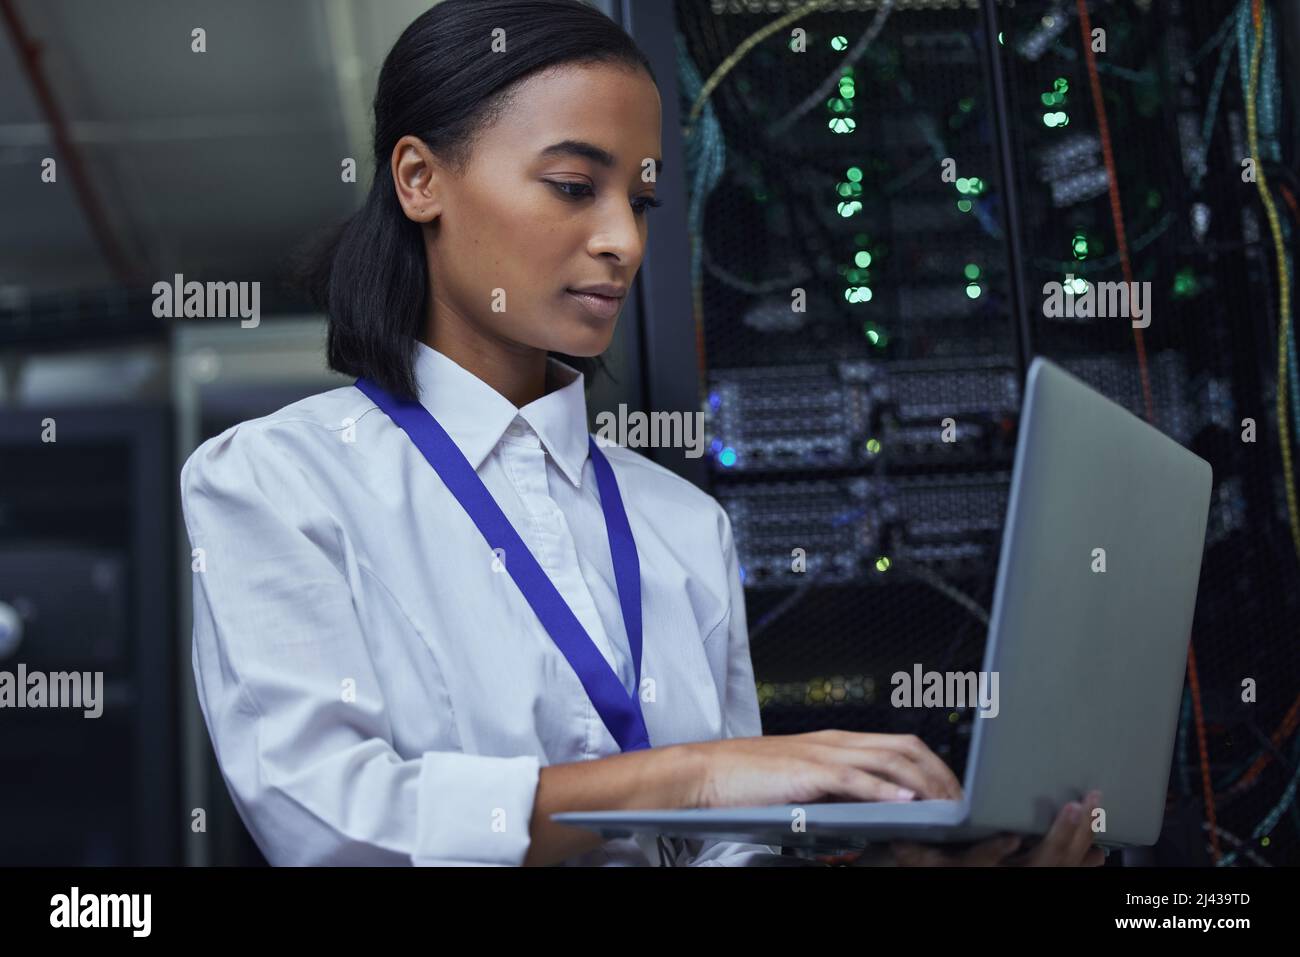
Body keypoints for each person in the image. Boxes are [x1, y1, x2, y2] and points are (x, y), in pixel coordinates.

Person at [180, 0, 1102, 867]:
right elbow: (333, 822)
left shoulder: (682, 523)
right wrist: (696, 777)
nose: (624, 237)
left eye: (645, 200)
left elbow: (729, 853)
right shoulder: (276, 482)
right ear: (421, 180)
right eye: (575, 185)